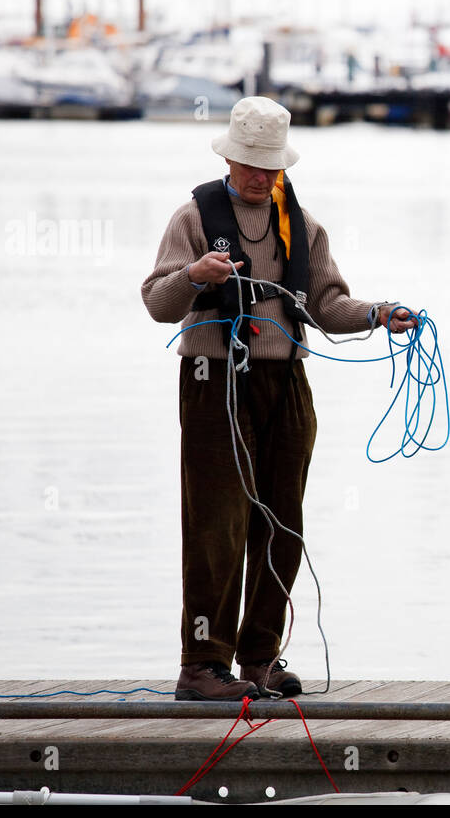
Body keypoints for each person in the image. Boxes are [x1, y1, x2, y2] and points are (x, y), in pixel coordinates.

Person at [141, 96, 417, 701]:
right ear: (231, 158)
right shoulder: (192, 218)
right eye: (252, 165)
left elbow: (330, 308)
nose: (262, 177)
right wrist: (195, 276)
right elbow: (158, 306)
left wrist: (380, 313)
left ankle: (259, 658)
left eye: (271, 167)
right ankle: (201, 666)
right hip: (215, 381)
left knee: (281, 521)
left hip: (287, 384)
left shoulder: (306, 228)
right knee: (217, 524)